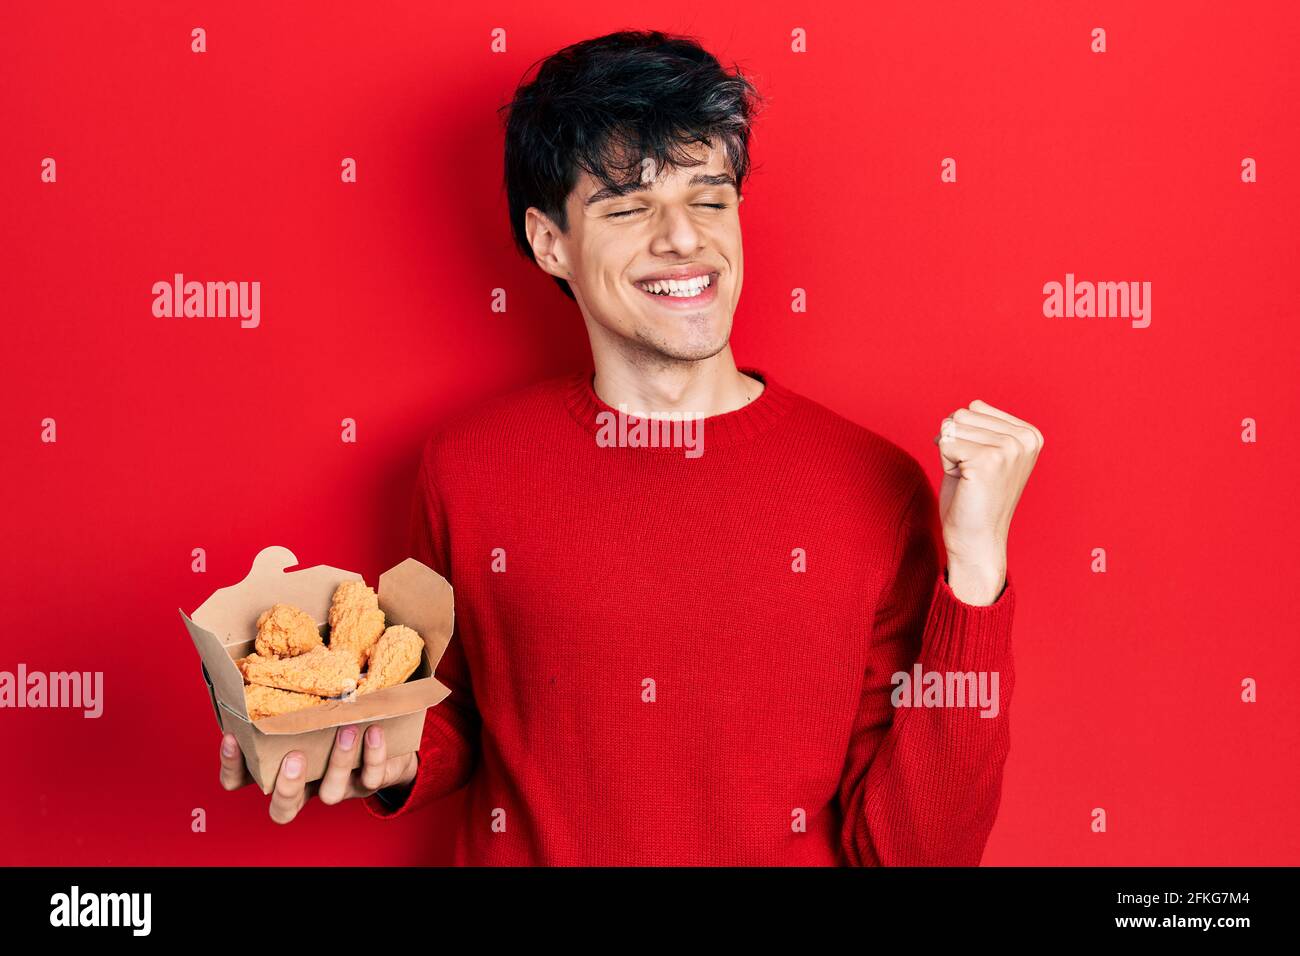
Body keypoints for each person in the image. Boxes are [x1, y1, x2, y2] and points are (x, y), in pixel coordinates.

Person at [220, 29, 1043, 865]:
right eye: (627, 207)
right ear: (551, 243)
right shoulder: (471, 467)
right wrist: (383, 755)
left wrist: (974, 571)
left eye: (709, 198)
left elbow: (916, 851)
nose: (684, 239)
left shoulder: (871, 483)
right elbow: (461, 709)